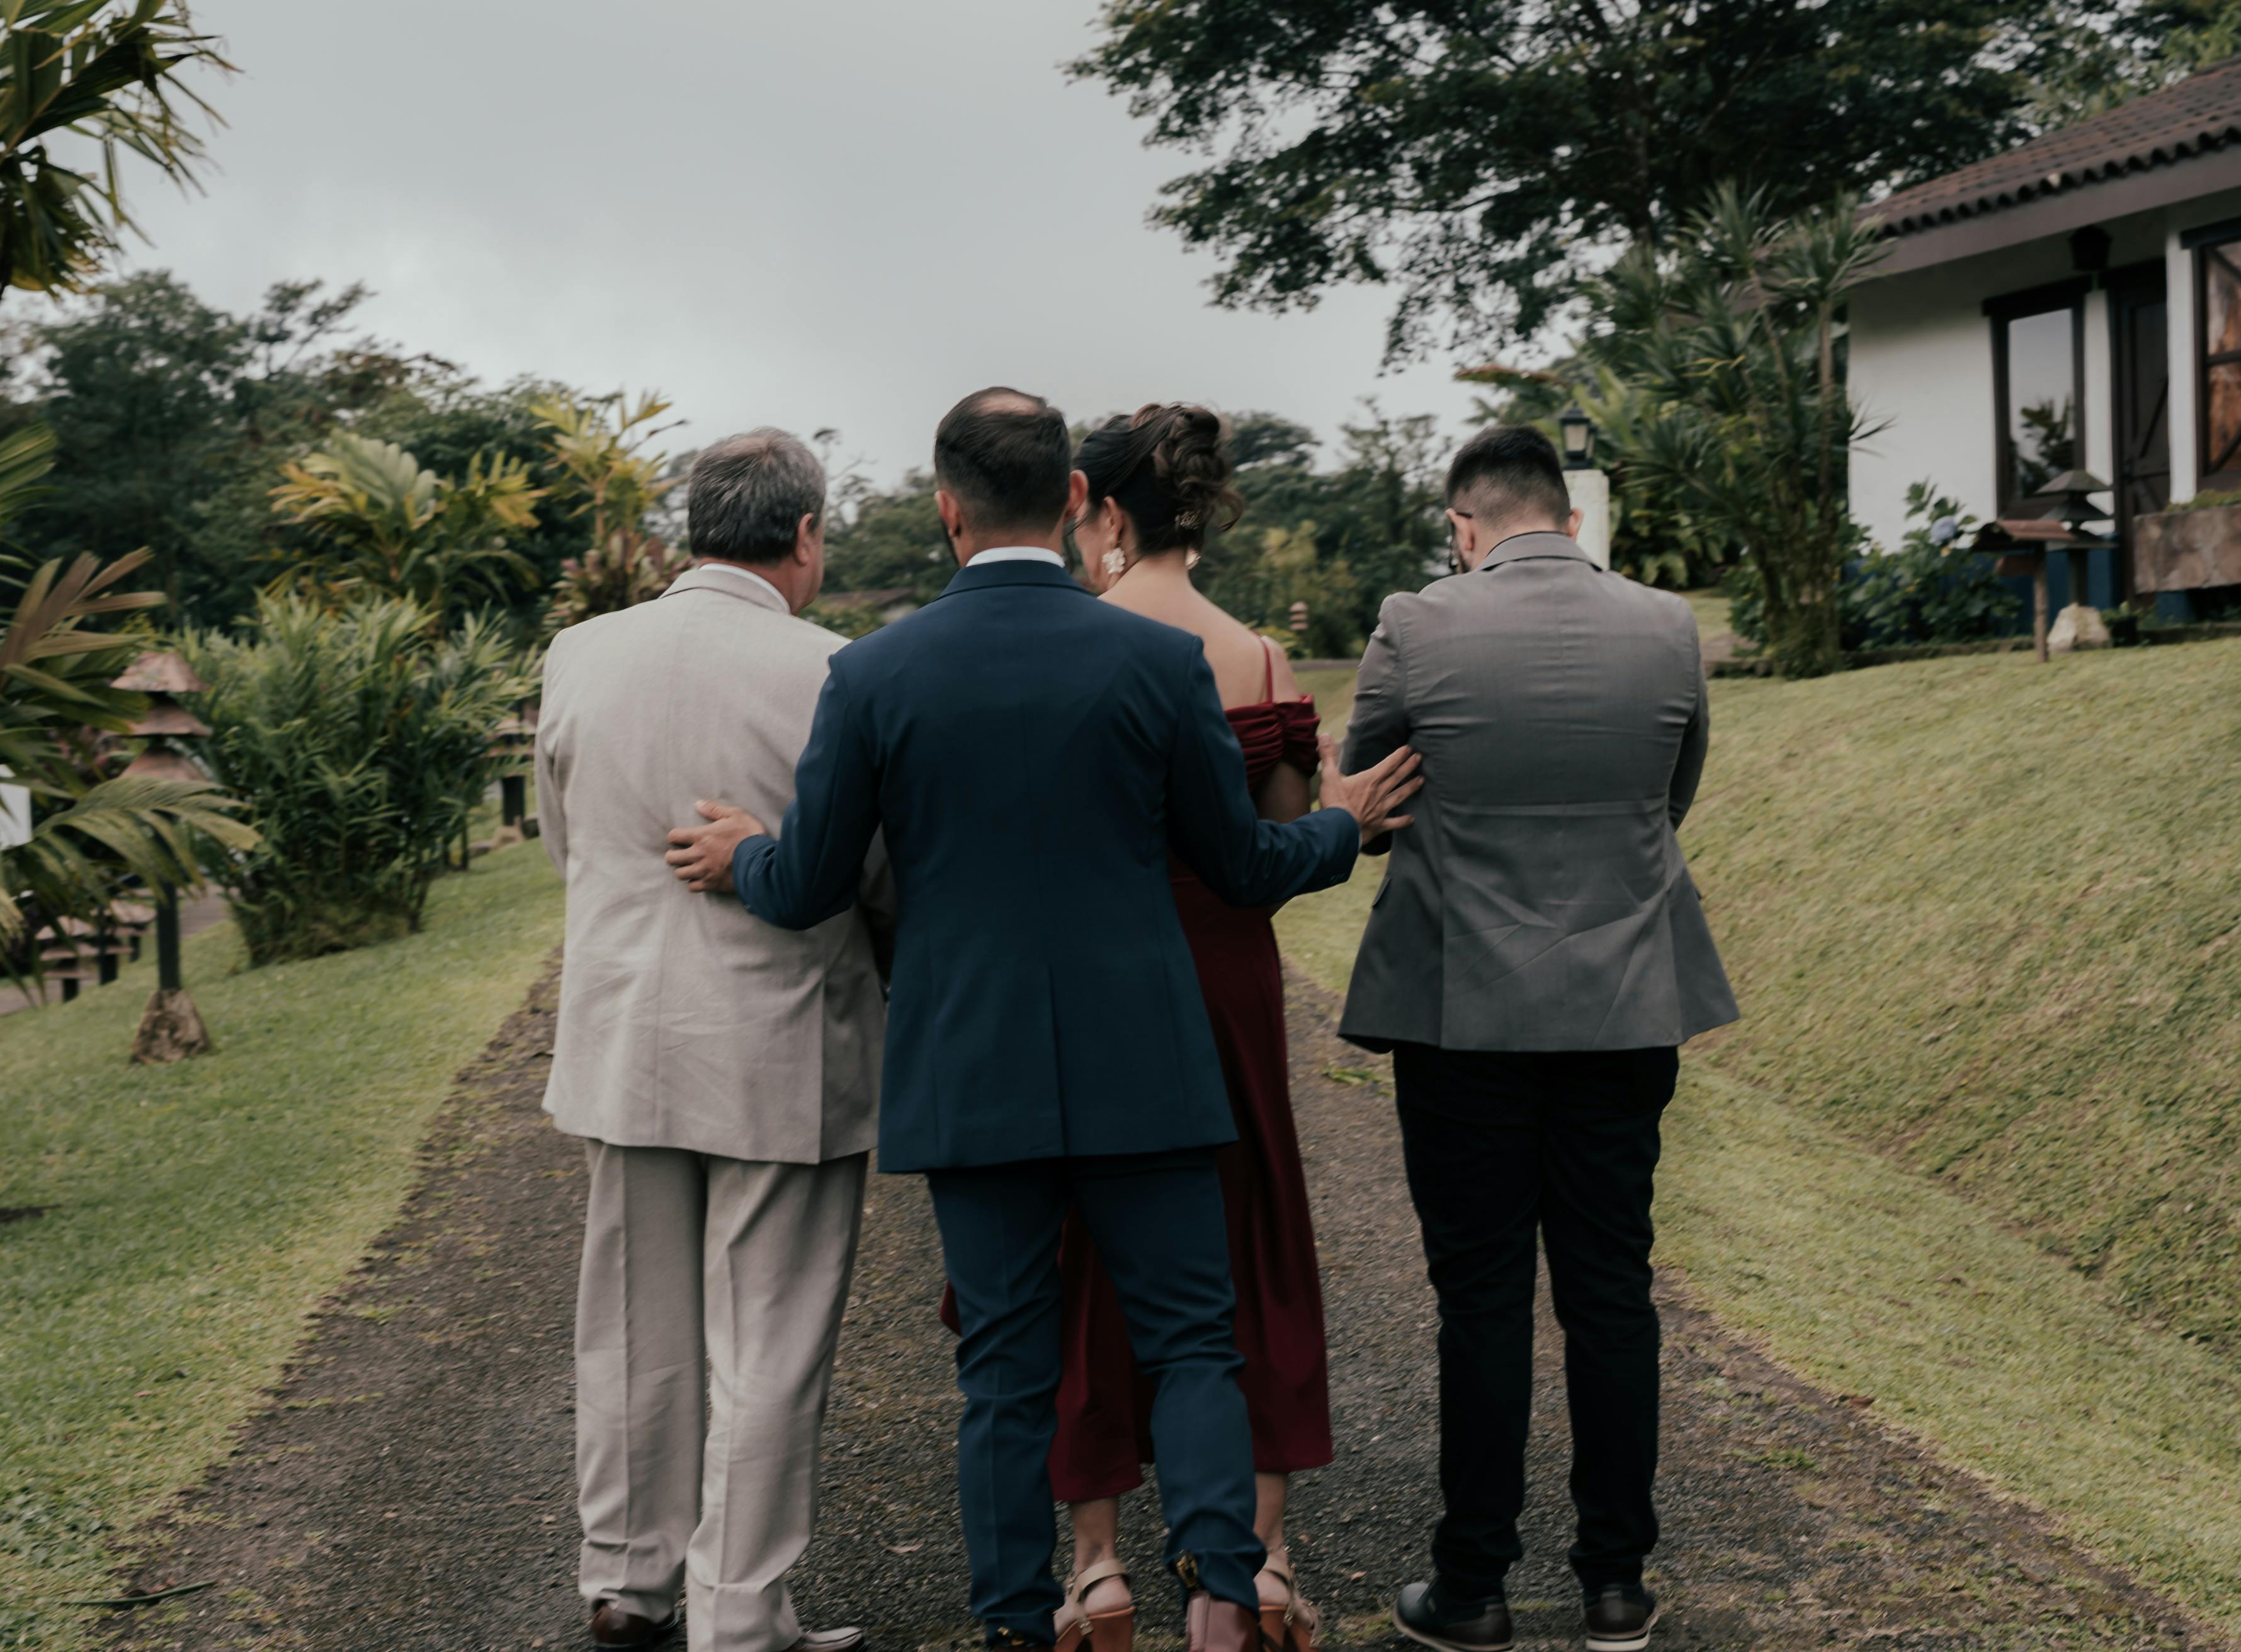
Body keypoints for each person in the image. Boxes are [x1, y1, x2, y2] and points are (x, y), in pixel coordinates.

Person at [659, 388, 1424, 1652]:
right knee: (1193, 1347)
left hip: (971, 1073)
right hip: (1151, 1063)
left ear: (946, 510)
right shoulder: (1156, 662)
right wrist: (1342, 826)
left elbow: (804, 889)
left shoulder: (875, 671)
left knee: (1005, 1375)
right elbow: (1239, 864)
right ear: (1071, 499)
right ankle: (1227, 1608)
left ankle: (1020, 1624)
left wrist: (743, 854)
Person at [1337, 426, 1737, 1652]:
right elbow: (1671, 798)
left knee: (1485, 1295)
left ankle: (1475, 1585)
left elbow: (1365, 805)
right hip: (1624, 999)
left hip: (1466, 1008)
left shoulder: (1416, 624)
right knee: (1614, 1286)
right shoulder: (1668, 627)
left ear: (1464, 526)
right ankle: (1616, 1581)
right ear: (1567, 519)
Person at [535, 428, 895, 1652]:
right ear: (805, 534)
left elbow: (563, 845)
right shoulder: (837, 667)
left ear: (696, 525)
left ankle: (627, 1578)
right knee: (768, 1338)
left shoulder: (581, 652)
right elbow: (878, 872)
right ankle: (739, 1611)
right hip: (784, 1043)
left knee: (629, 1324)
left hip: (624, 1031)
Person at [1027, 404, 1333, 1652]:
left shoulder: (1066, 646)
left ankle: (1095, 1566)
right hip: (1225, 979)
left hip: (1093, 981)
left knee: (1084, 1250)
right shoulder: (1258, 659)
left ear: (1098, 504)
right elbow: (1279, 842)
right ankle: (1253, 1562)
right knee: (1246, 1234)